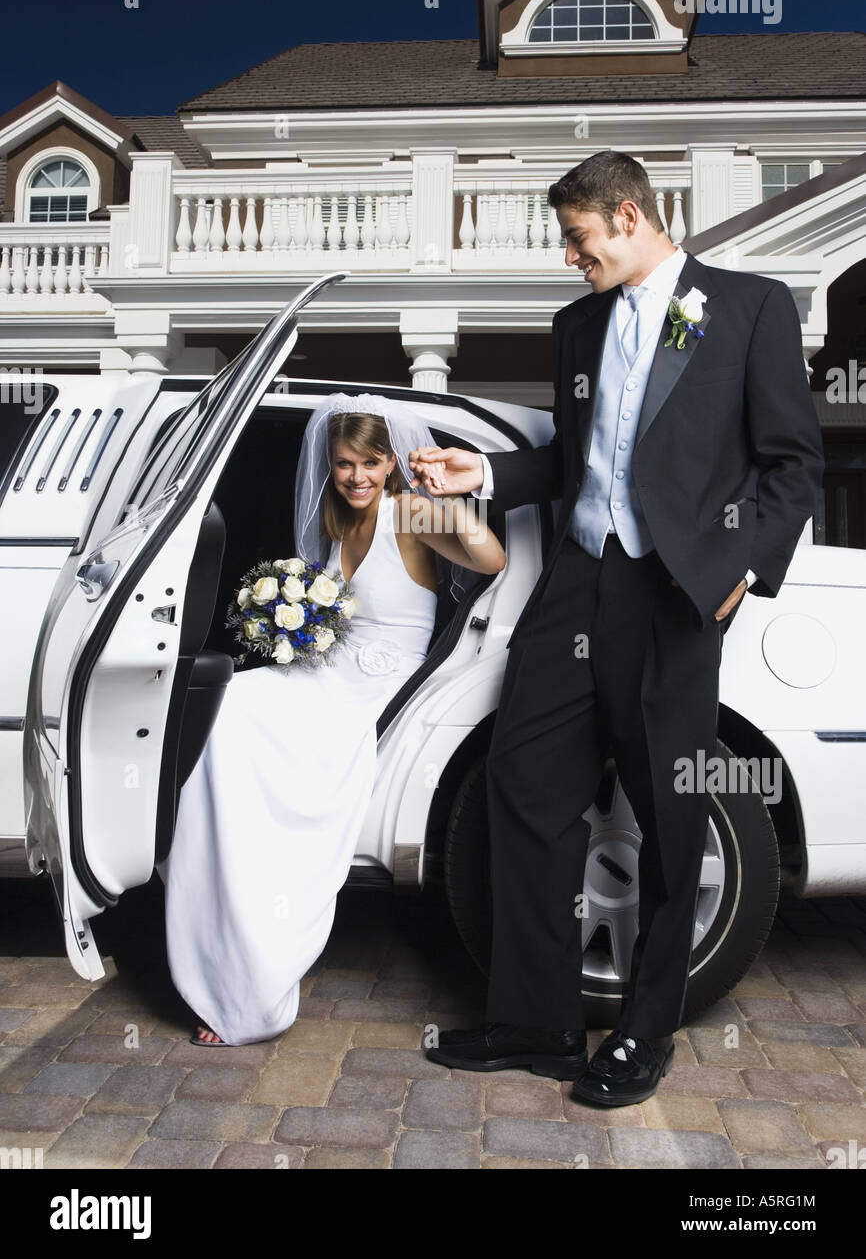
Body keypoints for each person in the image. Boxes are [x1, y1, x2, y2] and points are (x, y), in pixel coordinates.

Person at [409, 152, 824, 1105]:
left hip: (675, 593)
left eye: (578, 238)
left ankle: (646, 1032)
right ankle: (539, 1022)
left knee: (669, 813)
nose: (570, 258)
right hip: (577, 581)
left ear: (630, 217)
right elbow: (577, 461)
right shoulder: (578, 325)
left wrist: (737, 574)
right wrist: (484, 477)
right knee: (522, 780)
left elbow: (792, 464)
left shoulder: (751, 308)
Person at [162, 392, 505, 1046]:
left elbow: (491, 560)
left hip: (381, 683)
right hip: (326, 671)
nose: (356, 478)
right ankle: (223, 899)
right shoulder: (332, 520)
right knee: (226, 704)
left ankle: (256, 978)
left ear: (390, 462)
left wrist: (445, 497)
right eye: (345, 464)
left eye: (370, 464)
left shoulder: (412, 514)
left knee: (258, 734)